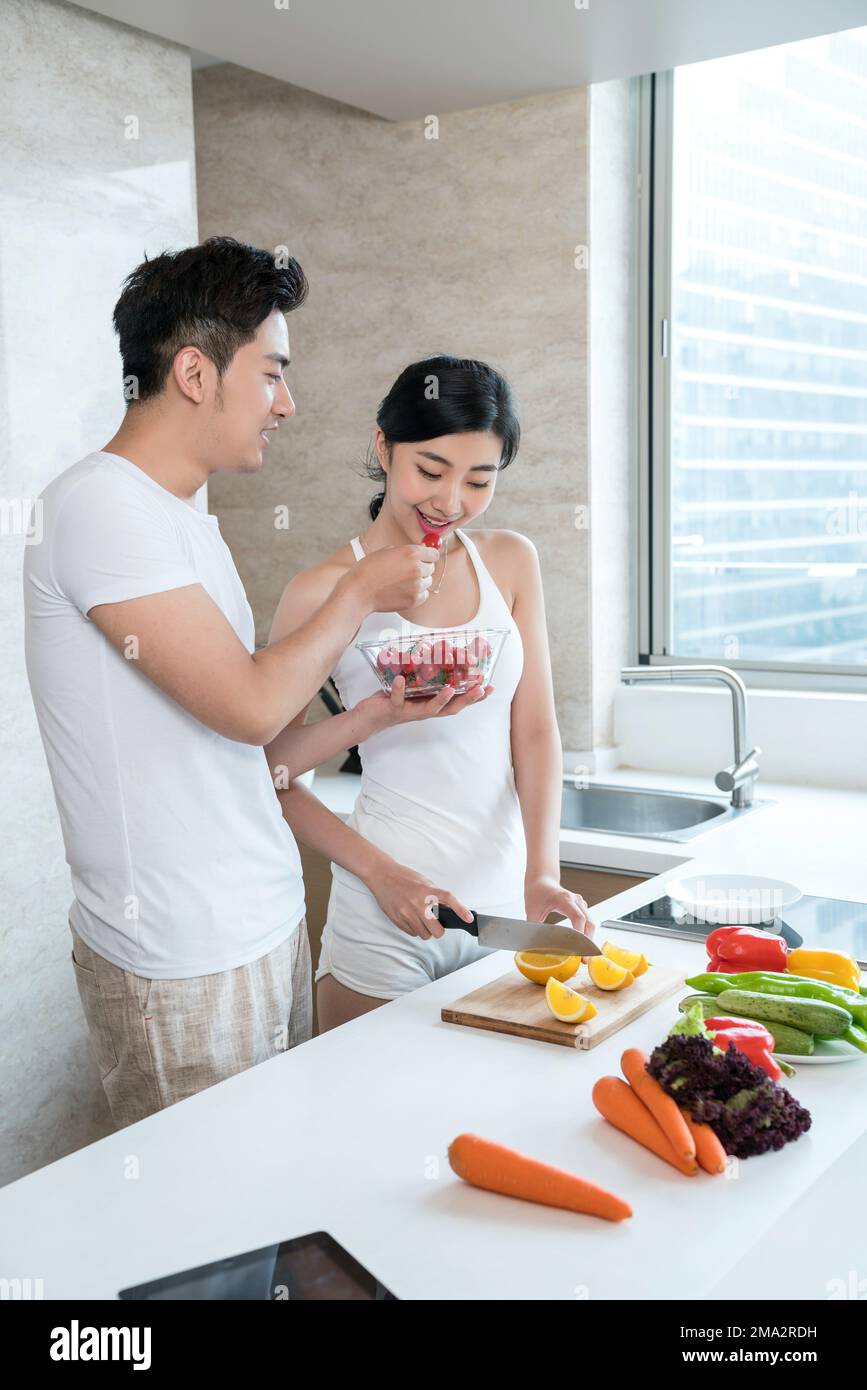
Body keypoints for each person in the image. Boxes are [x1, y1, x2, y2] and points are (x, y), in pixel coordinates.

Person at [22, 240, 481, 1128]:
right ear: (194, 372)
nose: (287, 403)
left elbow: (250, 755)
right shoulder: (97, 508)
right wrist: (357, 591)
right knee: (199, 1247)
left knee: (264, 1220)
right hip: (178, 953)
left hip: (259, 928)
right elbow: (249, 703)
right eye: (271, 374)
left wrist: (380, 712)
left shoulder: (182, 518)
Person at [265, 356, 592, 1031]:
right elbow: (271, 769)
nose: (450, 503)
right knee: (368, 1126)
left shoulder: (508, 561)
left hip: (501, 911)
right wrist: (381, 874)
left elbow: (533, 732)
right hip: (382, 914)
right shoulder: (320, 589)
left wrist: (541, 870)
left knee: (484, 1121)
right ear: (383, 447)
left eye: (478, 480)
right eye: (430, 471)